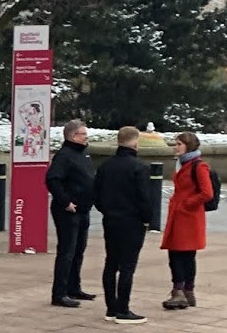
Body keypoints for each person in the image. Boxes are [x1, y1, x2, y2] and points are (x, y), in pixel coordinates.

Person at [93, 126, 152, 325]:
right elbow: (144, 198)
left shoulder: (105, 165)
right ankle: (123, 310)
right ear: (135, 143)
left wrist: (107, 210)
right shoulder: (139, 167)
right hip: (132, 221)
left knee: (111, 263)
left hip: (111, 220)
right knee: (127, 266)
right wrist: (147, 218)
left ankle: (111, 307)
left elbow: (97, 195)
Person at [45, 119, 96, 307]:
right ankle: (59, 293)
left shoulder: (83, 154)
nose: (87, 137)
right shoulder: (64, 156)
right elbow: (52, 180)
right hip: (68, 211)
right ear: (73, 136)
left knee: (79, 250)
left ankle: (74, 287)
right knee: (67, 251)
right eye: (84, 134)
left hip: (84, 209)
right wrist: (66, 201)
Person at [160, 132, 213, 311]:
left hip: (188, 216)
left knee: (181, 254)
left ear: (188, 146)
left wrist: (186, 203)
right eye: (175, 144)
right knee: (182, 254)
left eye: (179, 144)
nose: (175, 147)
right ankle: (186, 292)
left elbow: (207, 192)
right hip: (181, 214)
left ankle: (180, 292)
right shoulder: (183, 163)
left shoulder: (198, 166)